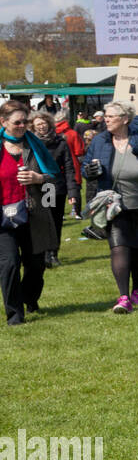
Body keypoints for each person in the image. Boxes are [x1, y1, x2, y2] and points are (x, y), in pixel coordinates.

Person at [81, 102, 138, 313]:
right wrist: (90, 171)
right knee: (119, 248)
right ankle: (123, 297)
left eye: (111, 116)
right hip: (113, 206)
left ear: (125, 119)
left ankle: (137, 290)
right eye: (106, 116)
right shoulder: (100, 142)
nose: (106, 119)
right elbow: (86, 168)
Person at [0, 100, 59, 324]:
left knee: (35, 265)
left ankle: (29, 297)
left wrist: (39, 178)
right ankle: (15, 315)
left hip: (33, 214)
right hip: (2, 217)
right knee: (9, 263)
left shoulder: (35, 145)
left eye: (26, 121)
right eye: (17, 122)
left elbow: (54, 177)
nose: (23, 125)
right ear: (3, 122)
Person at [28, 112, 75, 268]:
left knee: (54, 221)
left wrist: (72, 192)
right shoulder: (30, 143)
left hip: (53, 187)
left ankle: (52, 253)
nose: (41, 126)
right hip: (35, 187)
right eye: (38, 124)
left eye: (44, 123)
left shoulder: (60, 142)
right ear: (33, 126)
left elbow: (69, 168)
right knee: (38, 221)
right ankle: (40, 253)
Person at [54, 110, 85, 219]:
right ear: (66, 119)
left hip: (56, 164)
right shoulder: (72, 133)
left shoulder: (52, 133)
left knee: (57, 188)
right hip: (72, 163)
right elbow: (79, 151)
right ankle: (77, 212)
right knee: (75, 186)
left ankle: (59, 213)